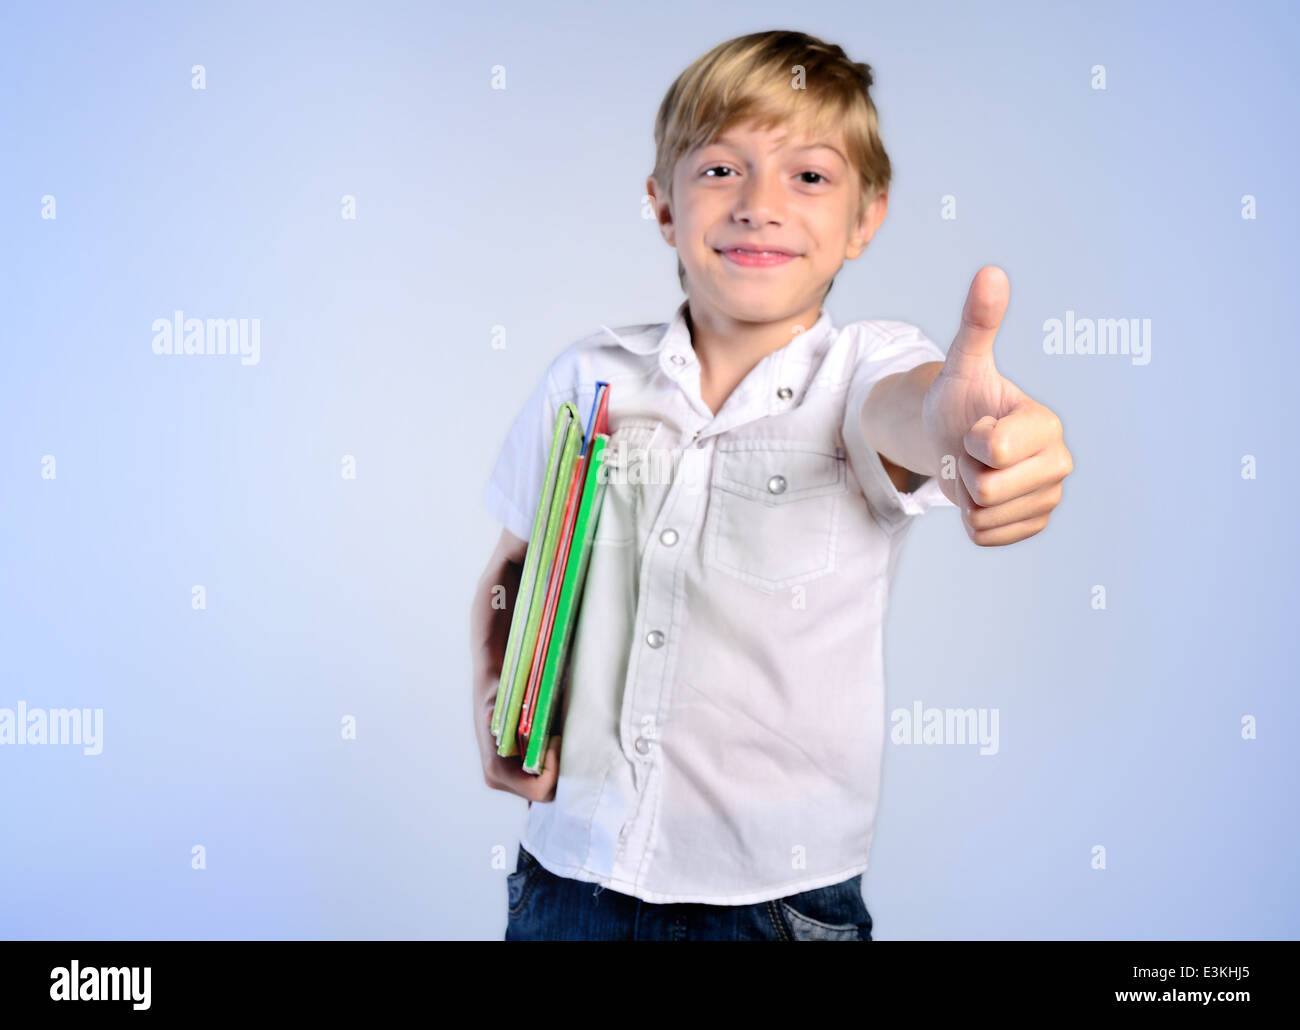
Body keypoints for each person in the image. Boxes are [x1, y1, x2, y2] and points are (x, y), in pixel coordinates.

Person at [470, 29, 1072, 941]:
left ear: (866, 217)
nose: (759, 205)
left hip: (776, 911)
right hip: (566, 883)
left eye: (810, 177)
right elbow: (516, 564)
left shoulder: (866, 372)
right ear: (663, 207)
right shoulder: (586, 374)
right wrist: (497, 702)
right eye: (720, 170)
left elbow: (912, 414)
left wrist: (963, 435)